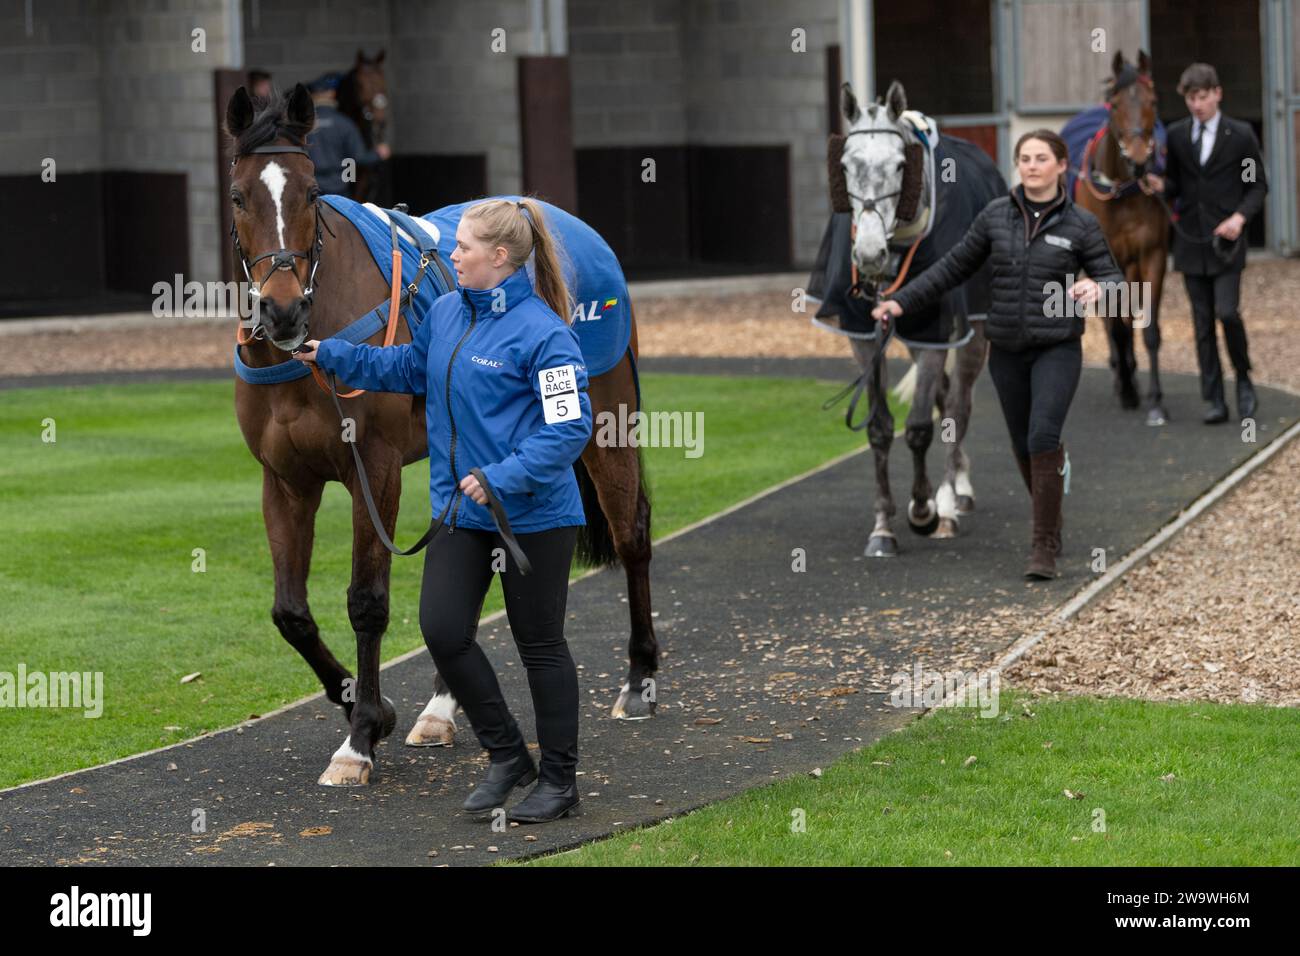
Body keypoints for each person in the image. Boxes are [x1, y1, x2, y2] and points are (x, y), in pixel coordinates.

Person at [293, 198, 592, 823]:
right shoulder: (450, 311)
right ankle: (509, 754)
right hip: (461, 512)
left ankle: (560, 783)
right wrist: (334, 354)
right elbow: (406, 366)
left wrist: (502, 477)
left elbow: (570, 430)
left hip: (534, 518)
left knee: (540, 646)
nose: (451, 253)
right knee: (443, 629)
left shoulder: (546, 334)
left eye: (464, 247)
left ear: (500, 258)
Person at [872, 130, 1124, 580]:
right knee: (1024, 445)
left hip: (1057, 348)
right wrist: (900, 300)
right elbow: (951, 267)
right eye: (1024, 158)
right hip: (1005, 350)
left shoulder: (1080, 224)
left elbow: (1119, 283)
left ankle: (1043, 545)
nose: (1031, 166)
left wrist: (1099, 286)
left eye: (1041, 158)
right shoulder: (994, 217)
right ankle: (1052, 516)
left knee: (1043, 436)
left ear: (1061, 166)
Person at [1143, 62, 1268, 424]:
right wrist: (1160, 186)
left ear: (1217, 94)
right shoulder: (1180, 137)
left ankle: (1243, 380)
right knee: (1201, 326)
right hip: (1190, 246)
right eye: (1190, 99)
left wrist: (1240, 218)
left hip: (1226, 244)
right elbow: (1177, 185)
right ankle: (1213, 398)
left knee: (1227, 313)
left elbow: (1257, 185)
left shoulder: (1241, 135)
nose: (1197, 105)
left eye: (1202, 97)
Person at [304, 72, 391, 198]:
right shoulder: (345, 123)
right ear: (333, 94)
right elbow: (359, 158)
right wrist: (379, 153)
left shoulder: (303, 125)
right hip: (339, 191)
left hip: (310, 190)